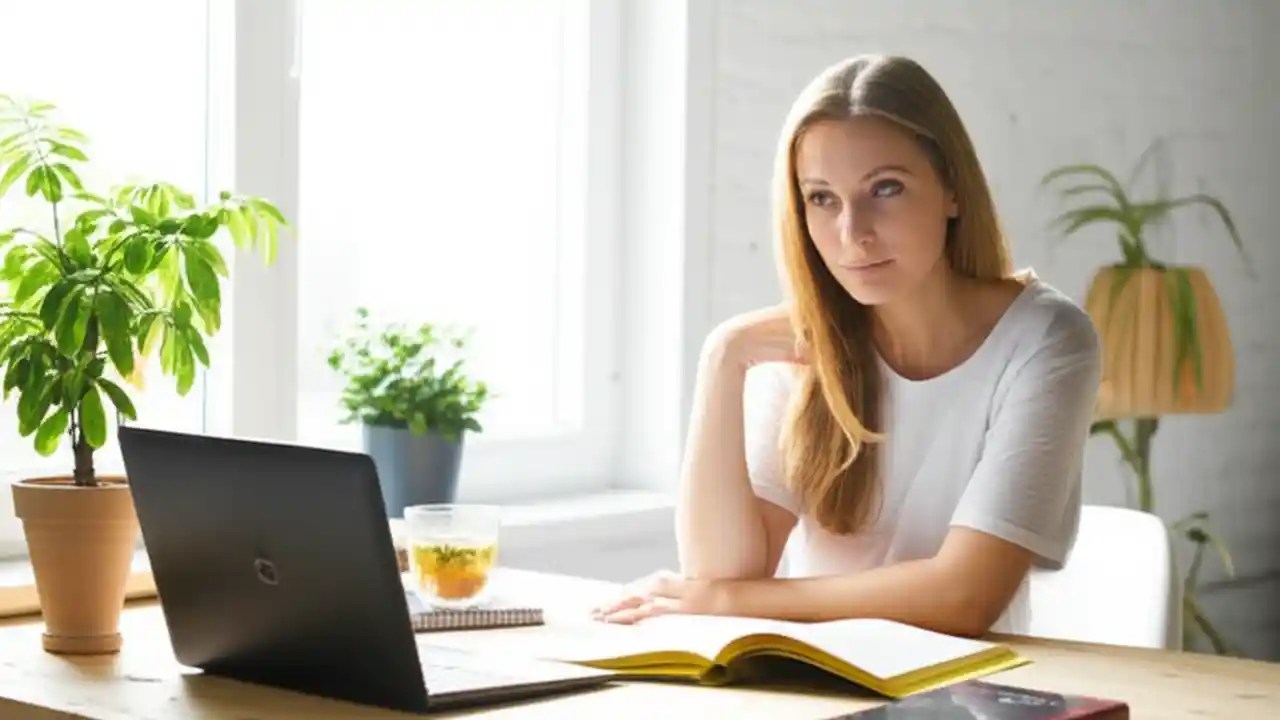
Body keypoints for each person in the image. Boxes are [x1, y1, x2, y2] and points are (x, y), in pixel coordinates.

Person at [591, 54, 1102, 637]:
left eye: (886, 189)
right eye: (822, 198)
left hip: (967, 693)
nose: (852, 233)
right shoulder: (797, 348)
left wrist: (738, 601)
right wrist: (723, 358)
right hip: (809, 683)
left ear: (952, 190)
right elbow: (721, 572)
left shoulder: (1045, 339)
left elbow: (965, 596)